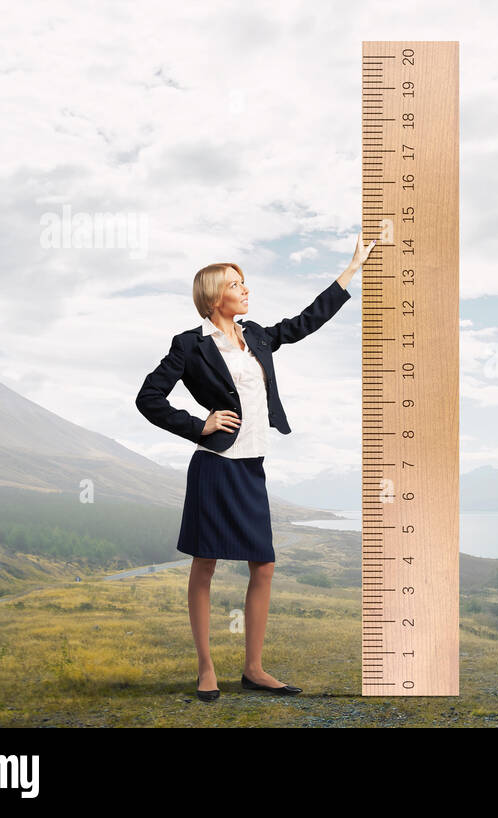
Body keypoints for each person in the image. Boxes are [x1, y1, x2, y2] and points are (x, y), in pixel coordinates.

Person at [136, 238, 374, 701]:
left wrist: (351, 270)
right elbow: (148, 398)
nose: (245, 290)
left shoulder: (258, 336)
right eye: (235, 285)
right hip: (214, 465)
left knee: (262, 565)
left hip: (251, 468)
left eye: (244, 283)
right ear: (212, 296)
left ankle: (254, 669)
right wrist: (197, 424)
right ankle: (206, 669)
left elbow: (305, 323)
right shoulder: (189, 345)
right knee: (205, 563)